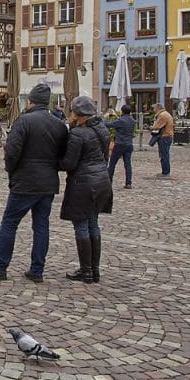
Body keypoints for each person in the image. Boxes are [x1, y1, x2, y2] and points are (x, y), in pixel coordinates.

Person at [0, 84, 68, 283]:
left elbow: (13, 152)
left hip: (25, 181)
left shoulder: (24, 121)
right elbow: (64, 156)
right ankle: (37, 270)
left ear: (30, 101)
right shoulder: (59, 125)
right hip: (47, 183)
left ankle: (1, 266)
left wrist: (11, 170)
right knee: (41, 226)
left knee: (10, 223)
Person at [60, 96, 113, 284]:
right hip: (101, 180)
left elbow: (69, 163)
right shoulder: (103, 130)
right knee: (93, 224)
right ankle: (94, 270)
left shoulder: (78, 134)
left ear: (78, 114)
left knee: (81, 225)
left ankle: (86, 271)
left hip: (83, 183)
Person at [108, 104, 136, 188]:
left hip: (120, 144)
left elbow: (109, 124)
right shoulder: (132, 120)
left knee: (112, 163)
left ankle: (109, 181)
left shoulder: (121, 120)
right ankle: (128, 182)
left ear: (122, 111)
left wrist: (105, 118)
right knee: (128, 164)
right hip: (129, 144)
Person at [150, 103, 175, 178]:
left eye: (154, 108)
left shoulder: (162, 115)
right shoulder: (166, 114)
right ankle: (165, 171)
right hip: (167, 136)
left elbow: (157, 126)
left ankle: (165, 172)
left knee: (164, 155)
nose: (154, 110)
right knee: (164, 154)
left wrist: (151, 127)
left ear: (158, 108)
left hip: (164, 136)